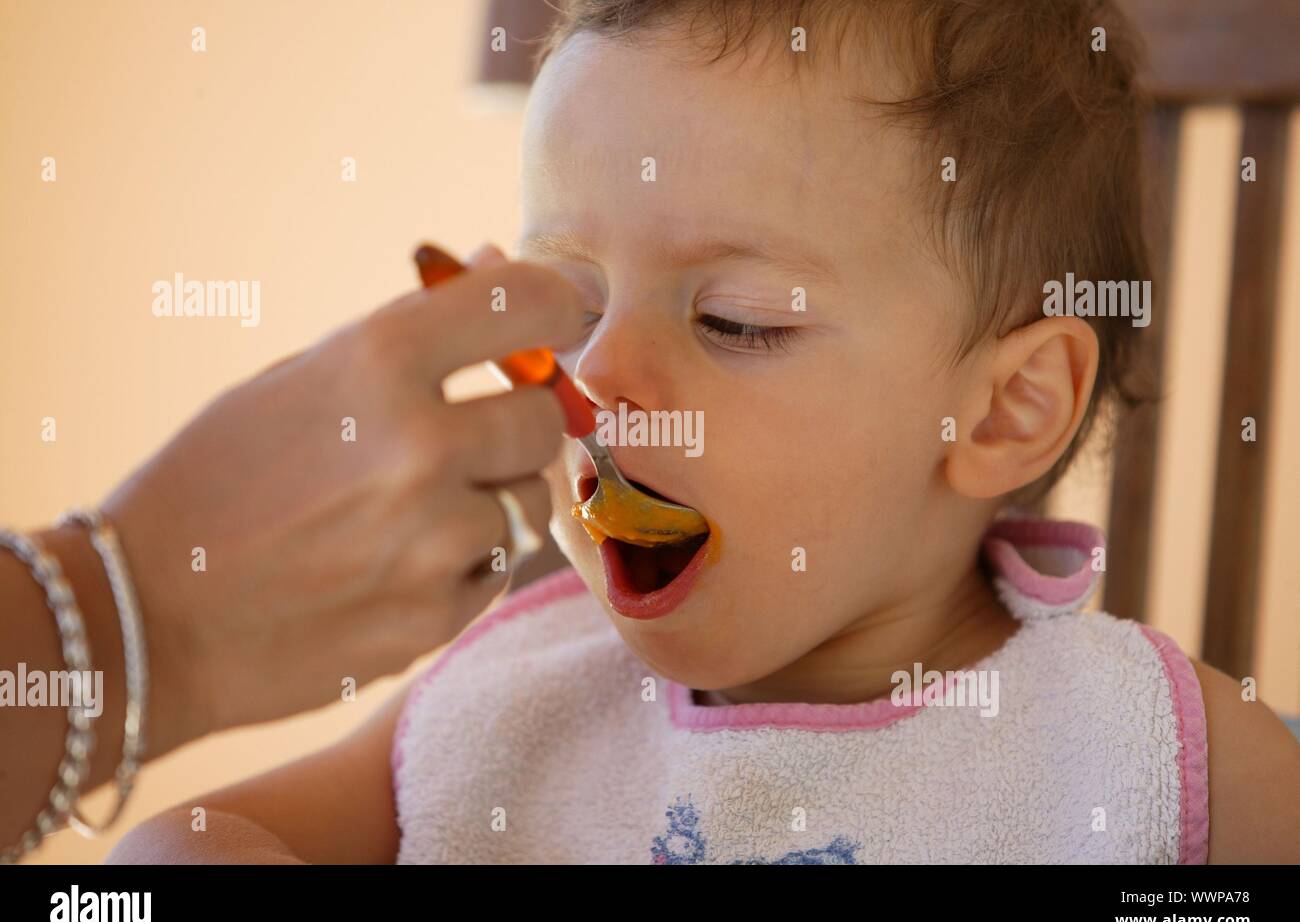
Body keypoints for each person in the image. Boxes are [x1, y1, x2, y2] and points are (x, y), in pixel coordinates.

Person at [111, 0, 1300, 864]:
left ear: (1003, 407)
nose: (602, 375)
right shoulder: (512, 699)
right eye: (572, 306)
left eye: (734, 321)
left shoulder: (1152, 761)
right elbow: (193, 847)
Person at [0, 248, 586, 859]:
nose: (601, 371)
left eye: (702, 318)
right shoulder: (513, 674)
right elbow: (165, 856)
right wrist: (145, 612)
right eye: (586, 314)